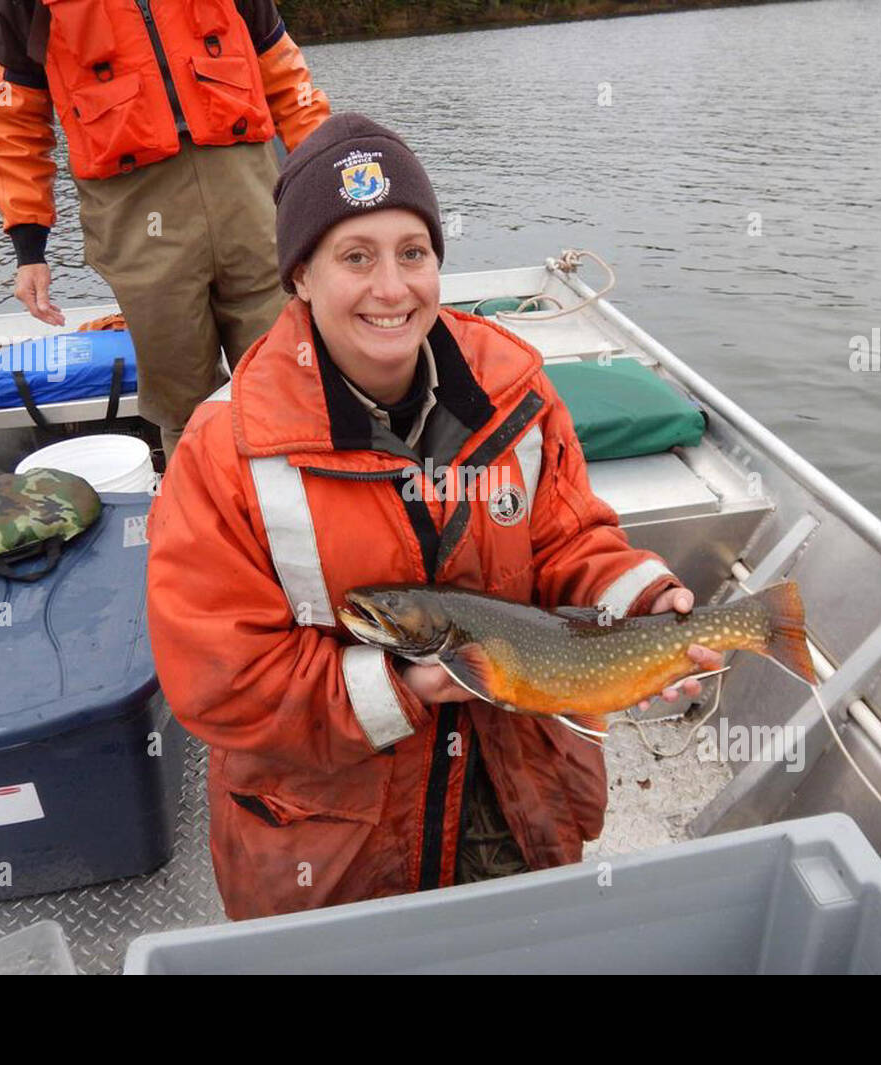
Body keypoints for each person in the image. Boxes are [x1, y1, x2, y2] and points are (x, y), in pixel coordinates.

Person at [145, 113, 724, 920]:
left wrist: (642, 602)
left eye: (412, 254)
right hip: (337, 841)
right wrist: (405, 684)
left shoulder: (517, 391)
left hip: (515, 788)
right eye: (355, 257)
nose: (392, 288)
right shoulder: (223, 452)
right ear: (300, 277)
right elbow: (221, 683)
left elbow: (569, 539)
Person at [0, 0, 330, 460]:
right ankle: (205, 513)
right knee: (185, 406)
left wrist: (329, 179)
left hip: (253, 201)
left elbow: (283, 71)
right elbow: (12, 118)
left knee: (293, 379)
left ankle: (310, 505)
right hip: (137, 220)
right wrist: (29, 248)